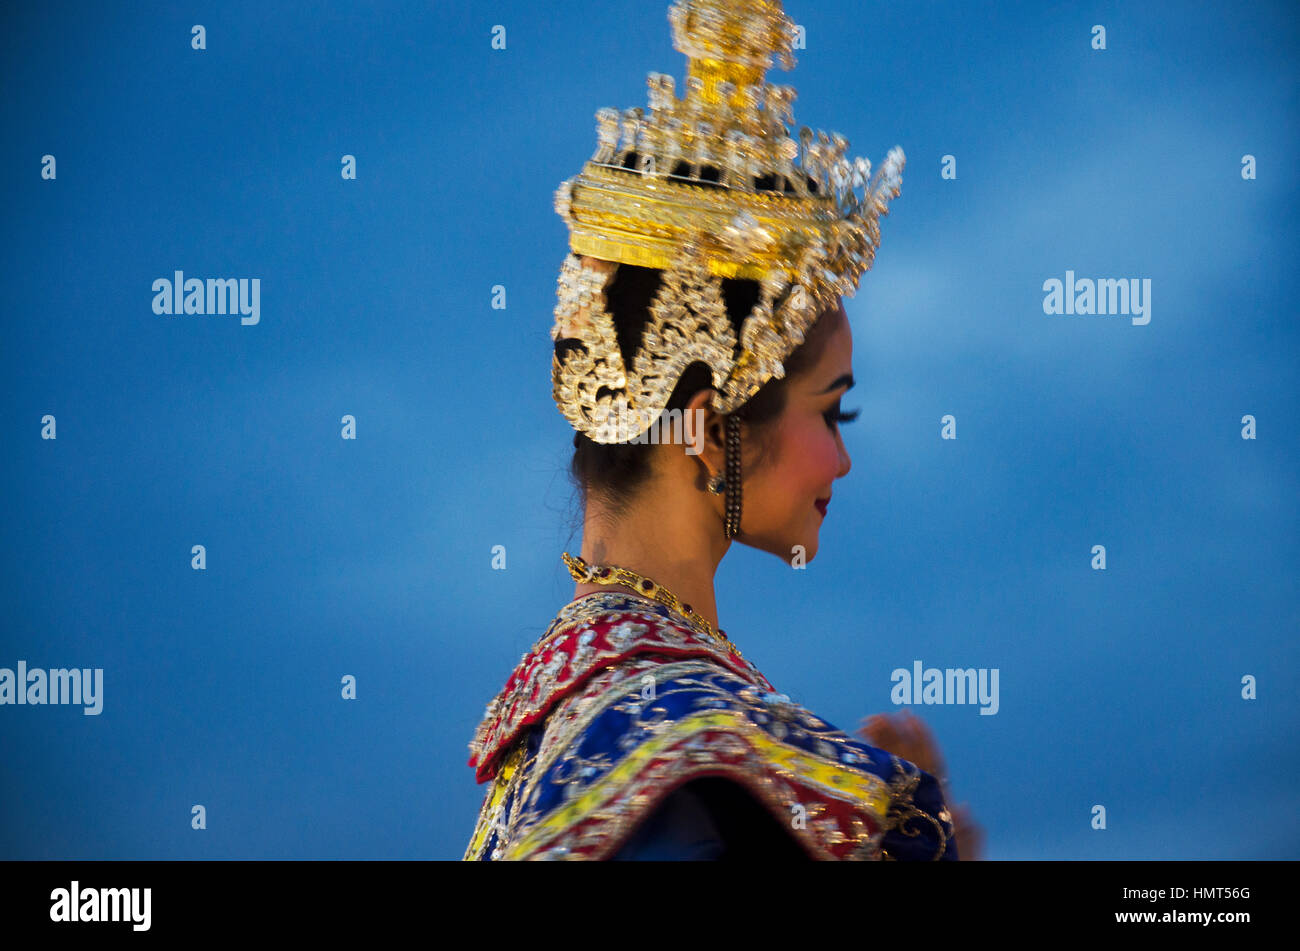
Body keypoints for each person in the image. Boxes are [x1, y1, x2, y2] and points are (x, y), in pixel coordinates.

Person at [464, 0, 980, 861]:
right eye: (832, 409)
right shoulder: (687, 757)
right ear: (708, 432)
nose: (844, 459)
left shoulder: (555, 737)